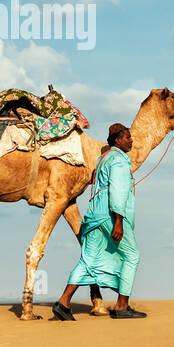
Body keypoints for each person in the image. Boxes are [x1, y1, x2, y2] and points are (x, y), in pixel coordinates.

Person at [53, 123, 146, 320]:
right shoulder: (119, 161)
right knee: (132, 255)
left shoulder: (103, 159)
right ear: (117, 140)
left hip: (94, 216)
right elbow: (118, 191)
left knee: (88, 259)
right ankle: (122, 306)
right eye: (128, 137)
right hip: (110, 216)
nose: (131, 140)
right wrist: (119, 220)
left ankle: (63, 302)